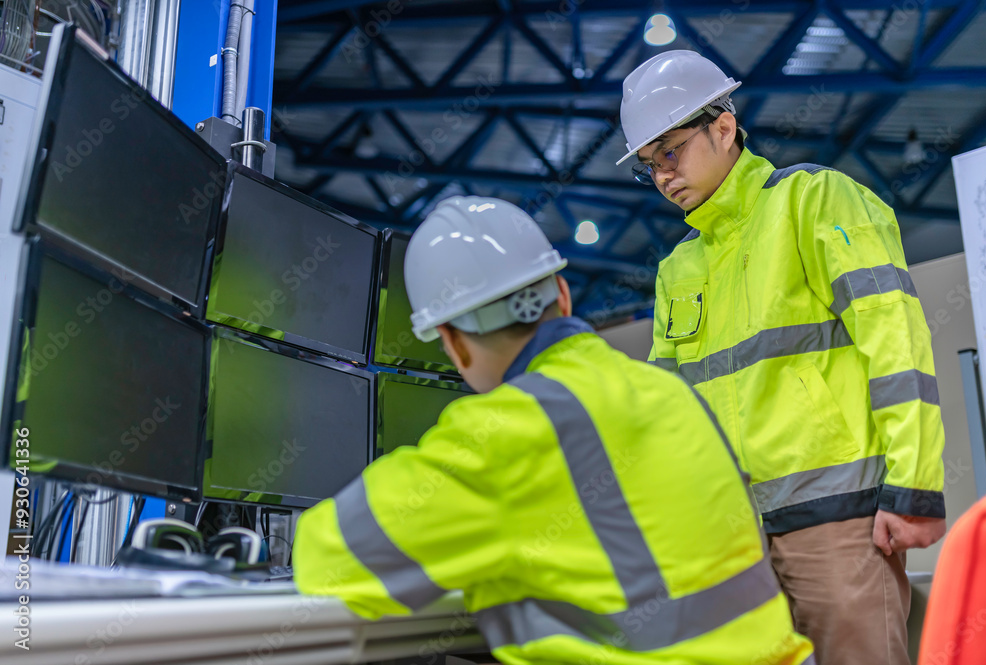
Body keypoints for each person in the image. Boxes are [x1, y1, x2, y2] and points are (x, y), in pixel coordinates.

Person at [294, 196, 814, 665]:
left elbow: (333, 560)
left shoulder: (502, 432)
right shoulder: (670, 391)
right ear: (562, 294)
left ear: (453, 343)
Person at [617, 50, 947, 664]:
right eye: (647, 166)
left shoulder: (815, 202)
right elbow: (665, 418)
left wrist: (915, 483)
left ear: (723, 126)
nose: (662, 176)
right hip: (730, 546)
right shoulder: (677, 271)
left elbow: (895, 339)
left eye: (669, 151)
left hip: (838, 523)